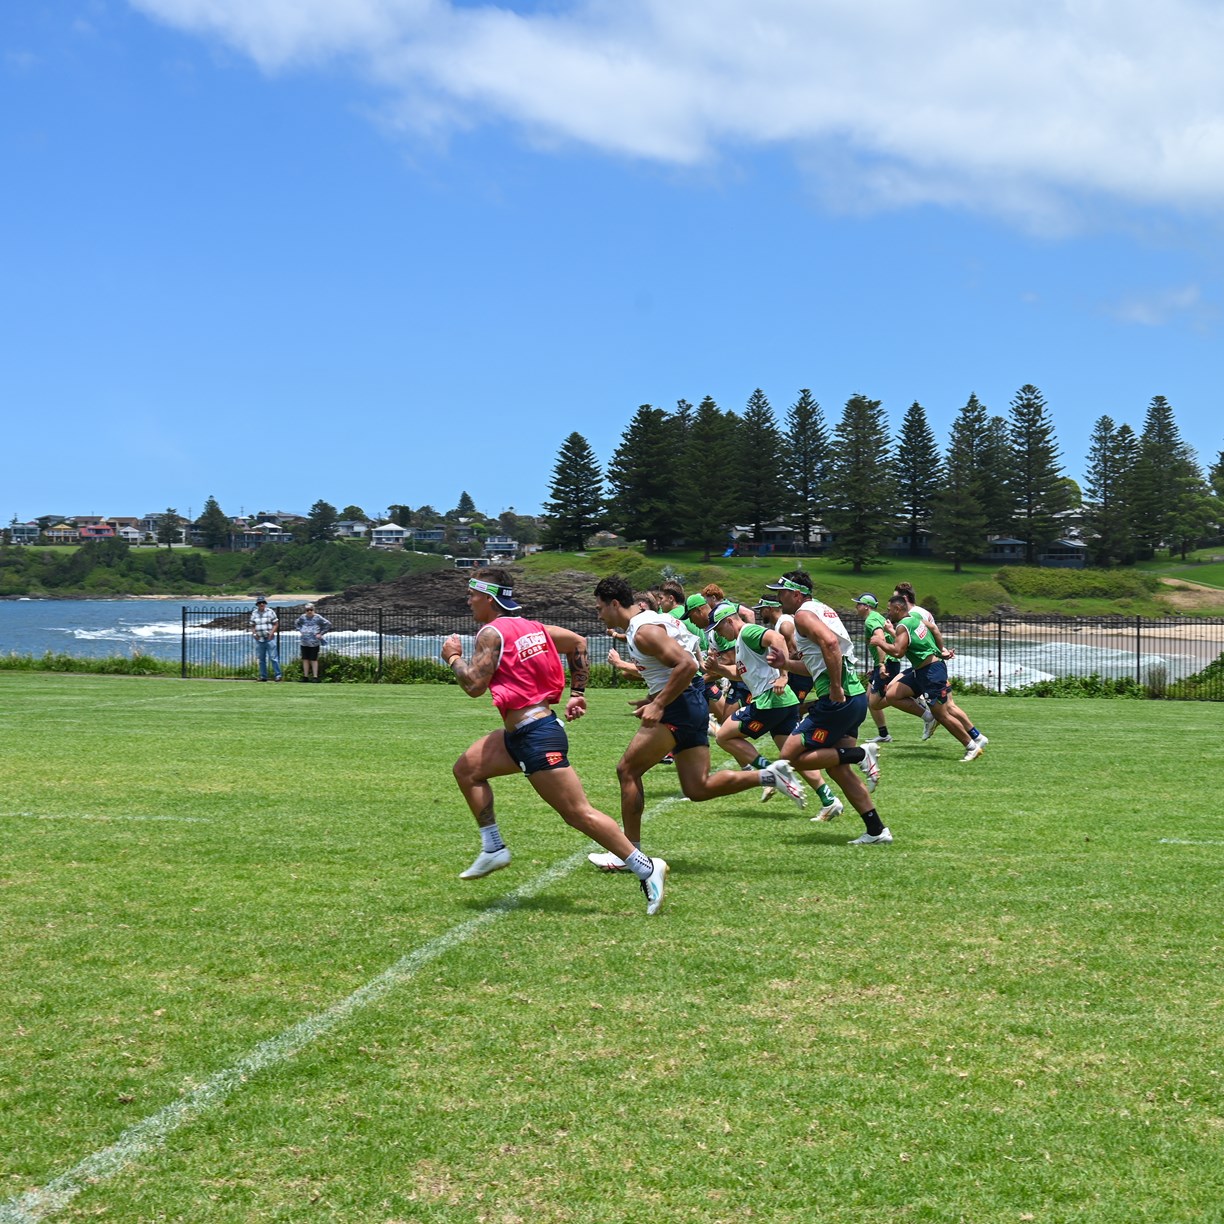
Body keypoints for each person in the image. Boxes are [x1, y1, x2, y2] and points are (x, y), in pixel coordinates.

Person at [440, 569, 669, 915]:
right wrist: (577, 693)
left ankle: (647, 868)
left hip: (537, 735)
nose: (468, 601)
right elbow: (578, 642)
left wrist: (453, 657)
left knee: (578, 813)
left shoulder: (490, 633)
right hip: (522, 733)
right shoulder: (533, 627)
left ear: (488, 598)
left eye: (472, 595)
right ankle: (493, 849)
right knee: (467, 769)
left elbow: (473, 685)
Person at [587, 575, 807, 871]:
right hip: (688, 702)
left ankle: (630, 854)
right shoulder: (651, 620)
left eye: (600, 607)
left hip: (678, 706)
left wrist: (660, 702)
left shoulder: (643, 632)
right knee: (697, 788)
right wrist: (653, 697)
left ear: (615, 604)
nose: (598, 613)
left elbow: (687, 665)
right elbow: (677, 664)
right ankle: (770, 776)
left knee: (627, 770)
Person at [764, 571, 893, 845]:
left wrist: (835, 687)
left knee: (789, 757)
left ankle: (860, 753)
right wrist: (784, 664)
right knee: (838, 768)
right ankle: (876, 830)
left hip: (837, 700)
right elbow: (817, 664)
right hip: (854, 698)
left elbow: (831, 644)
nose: (778, 598)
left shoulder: (802, 614)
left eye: (782, 592)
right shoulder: (822, 609)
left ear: (797, 594)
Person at [704, 602, 846, 820]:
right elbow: (742, 674)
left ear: (730, 621)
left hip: (770, 700)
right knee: (794, 756)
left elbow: (776, 638)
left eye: (719, 628)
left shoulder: (748, 632)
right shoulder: (742, 642)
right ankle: (829, 799)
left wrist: (783, 674)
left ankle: (769, 772)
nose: (719, 634)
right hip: (784, 702)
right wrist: (720, 669)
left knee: (723, 736)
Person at [880, 593, 989, 762]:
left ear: (898, 608)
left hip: (930, 672)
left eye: (889, 610)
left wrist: (879, 642)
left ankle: (971, 746)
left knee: (943, 714)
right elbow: (930, 632)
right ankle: (928, 717)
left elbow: (898, 652)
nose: (888, 613)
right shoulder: (914, 620)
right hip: (922, 671)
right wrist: (941, 651)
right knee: (893, 695)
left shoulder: (903, 625)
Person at [852, 594, 931, 743]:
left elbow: (880, 638)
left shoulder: (871, 620)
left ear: (866, 606)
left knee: (875, 702)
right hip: (884, 663)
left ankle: (919, 705)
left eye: (858, 604)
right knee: (869, 698)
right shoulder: (876, 617)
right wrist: (876, 665)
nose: (856, 607)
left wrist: (881, 664)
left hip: (887, 663)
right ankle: (883, 734)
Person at [294, 602, 332, 682]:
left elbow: (328, 624)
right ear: (305, 610)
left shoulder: (318, 617)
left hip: (314, 642)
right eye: (307, 610)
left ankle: (315, 677)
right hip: (304, 641)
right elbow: (296, 623)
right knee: (305, 659)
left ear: (313, 610)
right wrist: (300, 630)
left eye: (311, 610)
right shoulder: (302, 617)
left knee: (313, 659)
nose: (309, 611)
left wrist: (320, 634)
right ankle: (305, 676)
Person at [250, 596, 282, 681]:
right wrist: (254, 634)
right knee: (261, 659)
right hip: (259, 639)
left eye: (263, 603)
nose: (261, 604)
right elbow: (252, 625)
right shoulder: (254, 613)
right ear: (257, 604)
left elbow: (276, 624)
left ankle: (278, 675)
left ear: (265, 604)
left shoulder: (270, 612)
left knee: (273, 657)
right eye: (260, 603)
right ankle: (263, 676)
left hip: (269, 638)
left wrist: (271, 633)